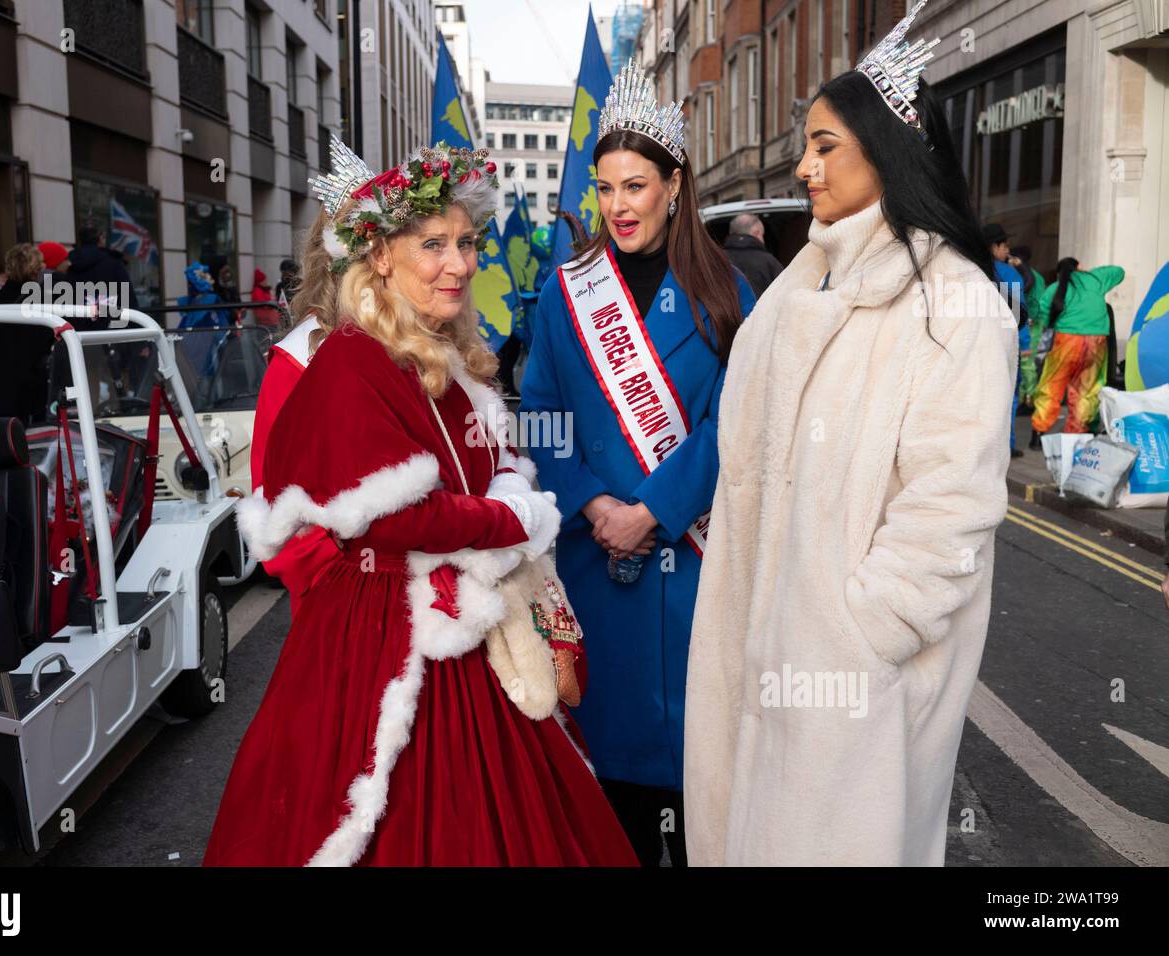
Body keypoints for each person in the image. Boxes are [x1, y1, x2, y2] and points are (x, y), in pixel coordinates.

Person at [203, 142, 637, 866]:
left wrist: (510, 482)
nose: (460, 264)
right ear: (379, 257)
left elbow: (487, 464)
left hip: (468, 616)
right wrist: (515, 517)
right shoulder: (349, 359)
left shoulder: (449, 353)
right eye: (433, 245)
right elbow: (396, 517)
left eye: (466, 243)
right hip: (381, 633)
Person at [685, 0, 1017, 866]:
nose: (804, 165)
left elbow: (953, 503)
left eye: (825, 143)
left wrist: (859, 633)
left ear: (888, 149)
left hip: (854, 681)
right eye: (808, 144)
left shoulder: (958, 302)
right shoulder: (802, 285)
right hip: (755, 649)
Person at [520, 59, 752, 867]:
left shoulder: (727, 290)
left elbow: (738, 426)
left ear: (674, 186)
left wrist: (653, 509)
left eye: (636, 186)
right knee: (603, 792)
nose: (619, 206)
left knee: (697, 788)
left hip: (694, 565)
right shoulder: (565, 290)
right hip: (594, 570)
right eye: (606, 189)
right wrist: (593, 506)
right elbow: (543, 418)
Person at [249, 139, 375, 620]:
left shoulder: (421, 344)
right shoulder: (299, 356)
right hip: (344, 604)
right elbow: (272, 496)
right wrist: (332, 581)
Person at [1029, 258, 1125, 444]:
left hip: (1066, 342)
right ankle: (1075, 437)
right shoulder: (1096, 280)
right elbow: (1118, 271)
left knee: (1051, 386)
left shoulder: (1055, 289)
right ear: (1078, 266)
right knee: (1086, 391)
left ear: (1059, 274)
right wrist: (1089, 272)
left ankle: (1038, 434)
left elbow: (1040, 314)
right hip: (1096, 343)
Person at [0, 243, 55, 423]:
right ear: (36, 269)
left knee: (5, 443)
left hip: (0, 388)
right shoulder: (43, 301)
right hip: (33, 389)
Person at [985, 223, 1028, 456]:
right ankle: (1006, 446)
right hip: (1005, 345)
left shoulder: (969, 269)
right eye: (1005, 246)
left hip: (977, 345)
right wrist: (1027, 344)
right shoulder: (1009, 273)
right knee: (1008, 395)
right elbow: (1017, 314)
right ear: (995, 246)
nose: (1007, 250)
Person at [1010, 245, 1046, 411]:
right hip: (1028, 321)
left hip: (1030, 322)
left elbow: (1036, 301)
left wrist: (1029, 317)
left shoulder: (1030, 277)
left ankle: (1028, 397)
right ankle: (1026, 395)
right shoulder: (1035, 275)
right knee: (1025, 361)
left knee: (1026, 361)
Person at [723, 212, 784, 297]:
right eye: (762, 235)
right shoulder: (769, 261)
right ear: (756, 233)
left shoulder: (718, 259)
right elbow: (785, 290)